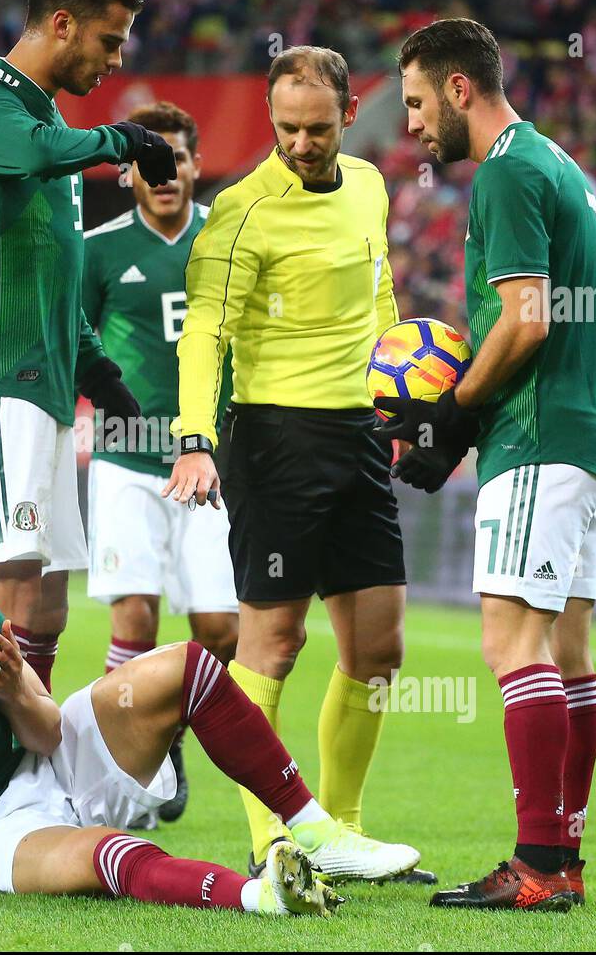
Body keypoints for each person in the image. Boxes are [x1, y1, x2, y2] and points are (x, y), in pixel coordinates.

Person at [163, 46, 428, 883]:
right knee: (273, 642)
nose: (301, 143)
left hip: (358, 435)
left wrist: (400, 399)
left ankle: (342, 832)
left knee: (379, 649)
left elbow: (382, 295)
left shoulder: (372, 186)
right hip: (274, 438)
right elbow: (204, 329)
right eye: (286, 128)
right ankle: (273, 840)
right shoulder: (238, 211)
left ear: (351, 115)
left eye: (317, 128)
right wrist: (194, 436)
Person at [0, 550, 398, 914]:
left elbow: (48, 731)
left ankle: (315, 831)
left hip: (49, 758)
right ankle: (263, 896)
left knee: (188, 666)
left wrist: (13, 690)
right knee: (100, 854)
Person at [392, 17, 596, 909]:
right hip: (583, 433)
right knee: (567, 656)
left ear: (459, 89)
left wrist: (452, 418)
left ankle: (535, 862)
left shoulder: (508, 172)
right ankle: (561, 860)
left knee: (509, 643)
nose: (410, 123)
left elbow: (525, 317)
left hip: (535, 433)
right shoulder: (555, 162)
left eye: (415, 101)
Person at [0, 0, 176, 697]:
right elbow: (38, 152)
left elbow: (54, 284)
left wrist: (101, 373)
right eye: (109, 40)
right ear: (62, 23)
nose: (114, 60)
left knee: (45, 598)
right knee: (2, 583)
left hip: (44, 391)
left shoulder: (46, 124)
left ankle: (19, 770)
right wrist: (121, 142)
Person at [82, 100, 238, 825]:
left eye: (175, 158)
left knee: (219, 630)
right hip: (123, 458)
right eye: (148, 161)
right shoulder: (98, 249)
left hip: (206, 463)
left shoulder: (228, 241)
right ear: (127, 173)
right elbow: (75, 347)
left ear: (196, 165)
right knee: (136, 613)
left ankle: (164, 731)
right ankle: (126, 767)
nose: (165, 173)